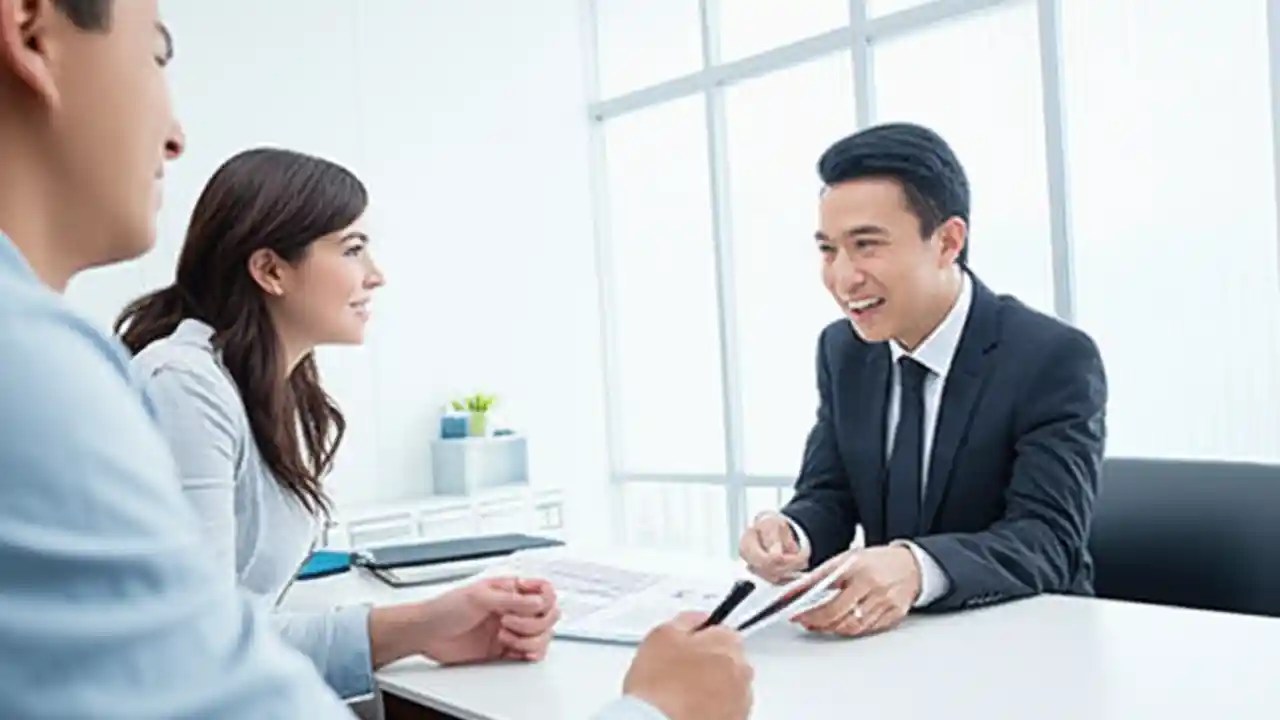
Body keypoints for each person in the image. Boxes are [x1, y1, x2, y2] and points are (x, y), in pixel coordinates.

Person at [0, 1, 752, 718]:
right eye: (154, 56)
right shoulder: (141, 378)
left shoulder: (250, 390)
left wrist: (418, 625)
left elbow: (208, 643)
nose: (174, 135)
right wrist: (656, 711)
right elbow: (194, 671)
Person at [113, 146, 561, 699]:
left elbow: (235, 624)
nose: (376, 276)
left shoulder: (272, 388)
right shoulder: (183, 384)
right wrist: (416, 625)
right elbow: (196, 643)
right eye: (352, 249)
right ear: (271, 270)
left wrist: (426, 631)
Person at [738, 122, 1107, 638]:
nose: (843, 278)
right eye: (828, 250)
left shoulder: (1052, 357)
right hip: (895, 643)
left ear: (948, 241)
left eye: (866, 245)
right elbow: (830, 493)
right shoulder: (842, 350)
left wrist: (916, 567)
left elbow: (1048, 540)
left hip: (1027, 641)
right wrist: (792, 532)